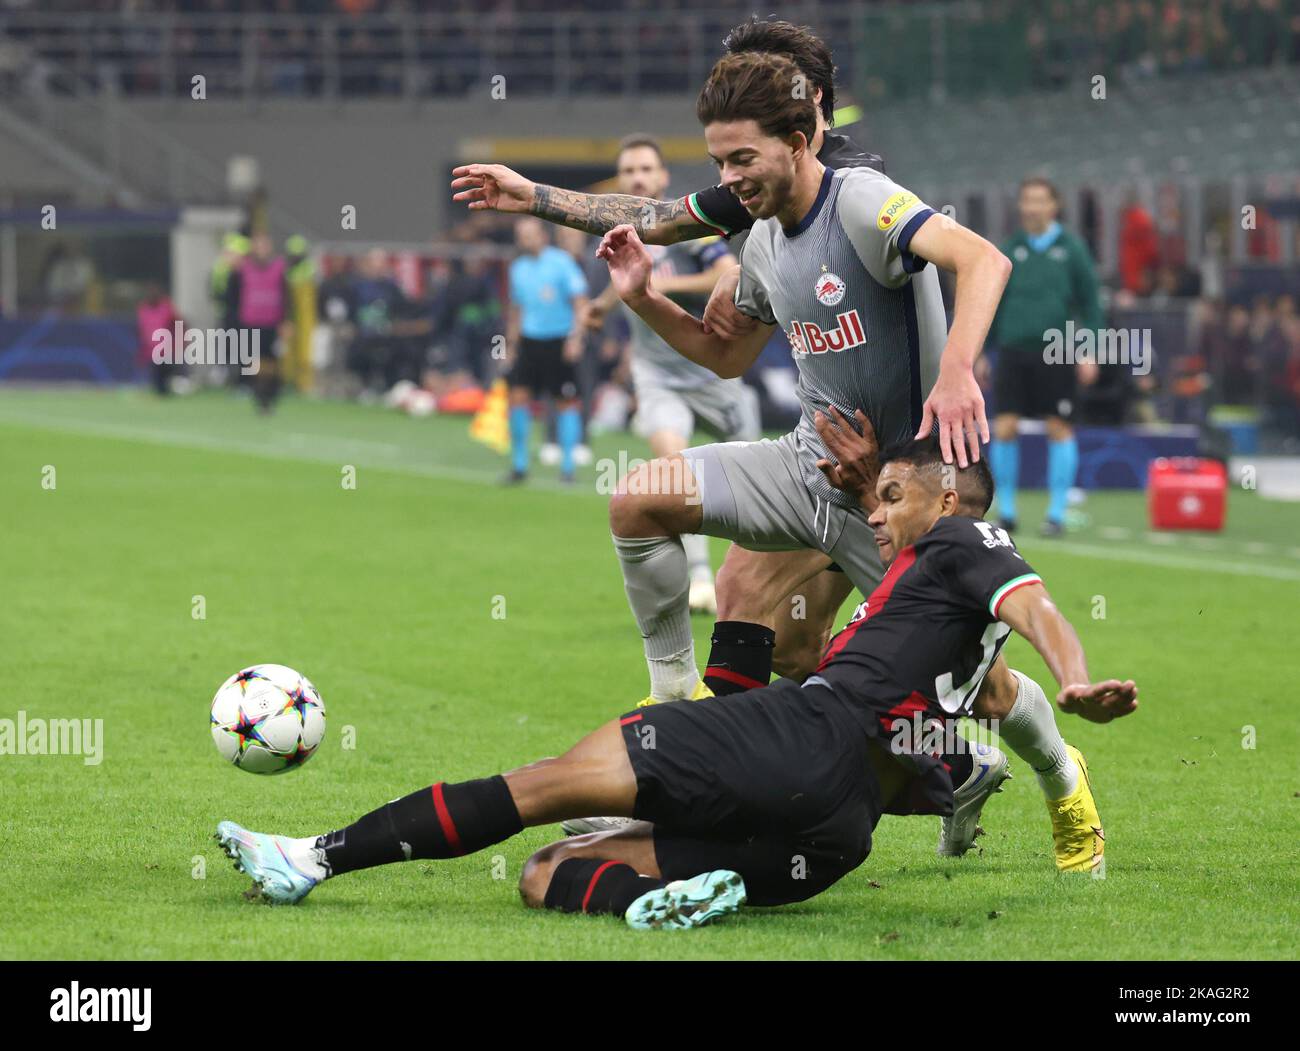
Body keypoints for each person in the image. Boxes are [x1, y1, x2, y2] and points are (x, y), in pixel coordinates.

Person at [215, 437, 1136, 927]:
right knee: (545, 876)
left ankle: (311, 858)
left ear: (948, 497)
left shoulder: (964, 538)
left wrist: (1080, 675)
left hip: (799, 740)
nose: (877, 512)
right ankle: (651, 896)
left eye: (890, 496)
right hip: (833, 838)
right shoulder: (916, 599)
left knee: (542, 789)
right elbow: (992, 672)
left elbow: (1038, 609)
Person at [582, 133, 761, 619]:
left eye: (645, 170)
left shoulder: (689, 229)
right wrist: (598, 309)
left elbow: (725, 274)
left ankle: (758, 578)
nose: (637, 178)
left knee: (752, 484)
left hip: (713, 371)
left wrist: (658, 284)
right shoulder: (618, 238)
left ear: (662, 178)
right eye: (629, 171)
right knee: (675, 468)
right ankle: (701, 579)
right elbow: (620, 287)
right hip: (657, 377)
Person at [988, 177, 1103, 537]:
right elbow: (992, 302)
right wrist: (981, 350)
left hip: (1057, 351)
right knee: (1005, 427)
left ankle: (1056, 514)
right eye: (1027, 200)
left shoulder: (1072, 249)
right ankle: (1006, 511)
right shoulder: (1010, 248)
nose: (1033, 207)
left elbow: (1091, 304)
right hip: (1011, 349)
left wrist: (1090, 350)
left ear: (1054, 206)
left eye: (1040, 200)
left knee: (1059, 427)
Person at [504, 218, 589, 484]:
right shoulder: (517, 268)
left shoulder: (562, 262)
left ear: (542, 235)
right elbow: (515, 310)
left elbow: (580, 302)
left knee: (565, 401)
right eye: (520, 234)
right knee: (517, 397)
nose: (525, 239)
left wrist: (576, 338)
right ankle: (519, 465)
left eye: (529, 234)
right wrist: (509, 345)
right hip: (529, 342)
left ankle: (567, 468)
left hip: (558, 341)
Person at [226, 232, 292, 414]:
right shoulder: (243, 269)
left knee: (271, 360)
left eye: (265, 245)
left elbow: (286, 296)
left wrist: (286, 321)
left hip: (272, 321)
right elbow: (234, 298)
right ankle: (258, 394)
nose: (262, 249)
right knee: (254, 362)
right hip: (251, 321)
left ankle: (271, 393)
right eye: (258, 245)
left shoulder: (279, 268)